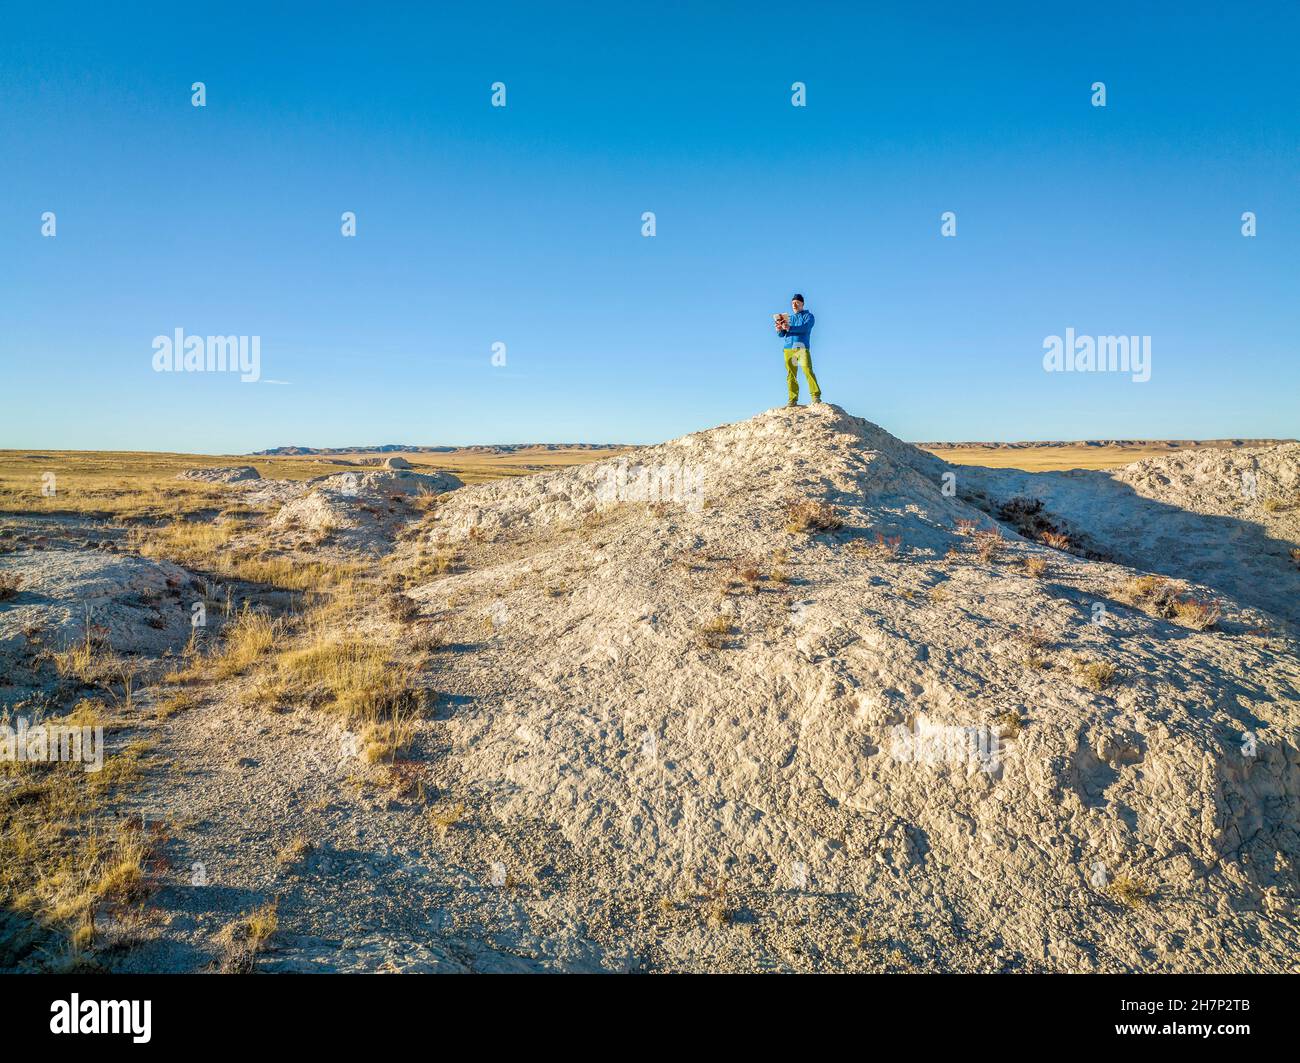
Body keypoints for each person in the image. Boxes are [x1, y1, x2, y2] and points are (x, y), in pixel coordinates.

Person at [774, 294, 821, 406]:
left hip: (801, 347)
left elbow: (805, 328)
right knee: (791, 374)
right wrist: (779, 329)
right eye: (792, 303)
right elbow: (782, 335)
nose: (794, 305)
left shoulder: (809, 316)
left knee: (807, 370)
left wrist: (790, 328)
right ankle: (792, 399)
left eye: (797, 303)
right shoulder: (789, 318)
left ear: (802, 304)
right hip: (788, 349)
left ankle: (815, 396)